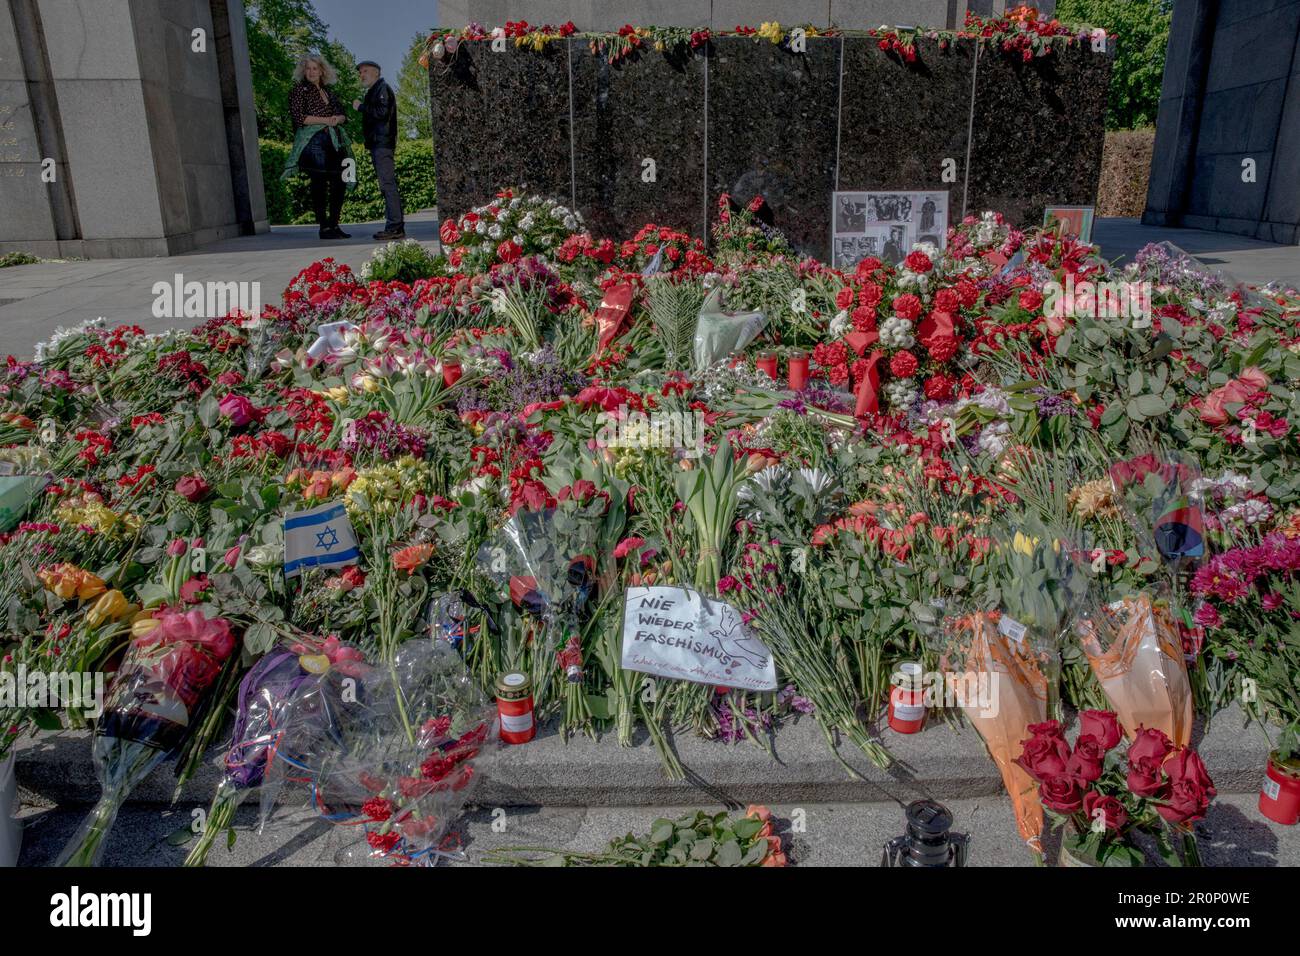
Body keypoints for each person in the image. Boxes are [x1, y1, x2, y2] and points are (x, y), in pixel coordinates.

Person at [286, 54, 352, 240]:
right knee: (319, 184)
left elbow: (343, 115)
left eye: (315, 68)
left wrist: (336, 119)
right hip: (314, 142)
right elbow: (300, 118)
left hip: (334, 141)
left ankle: (334, 224)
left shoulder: (329, 92)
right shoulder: (299, 91)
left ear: (322, 71)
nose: (311, 72)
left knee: (340, 182)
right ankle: (324, 227)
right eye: (308, 68)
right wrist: (326, 120)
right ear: (303, 71)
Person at [354, 60, 405, 240]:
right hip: (379, 144)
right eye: (360, 72)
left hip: (382, 144)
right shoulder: (376, 90)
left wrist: (361, 107)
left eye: (365, 71)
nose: (362, 75)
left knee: (388, 185)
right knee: (386, 185)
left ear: (376, 72)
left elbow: (382, 113)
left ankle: (395, 227)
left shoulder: (381, 89)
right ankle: (394, 226)